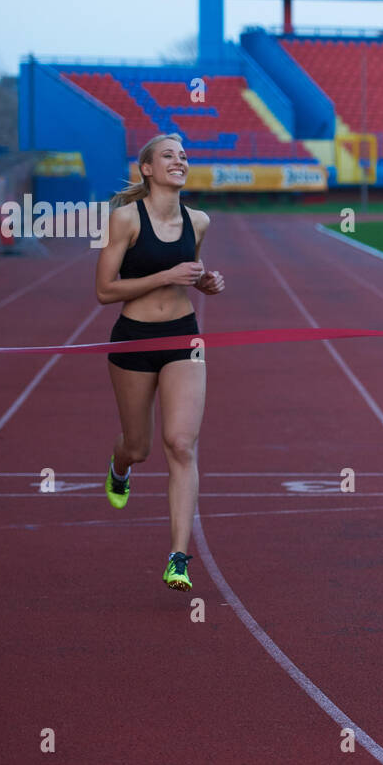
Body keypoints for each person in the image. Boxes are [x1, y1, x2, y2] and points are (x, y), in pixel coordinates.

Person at [94, 133, 225, 592]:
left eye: (184, 155)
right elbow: (105, 291)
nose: (179, 160)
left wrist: (204, 282)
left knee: (181, 444)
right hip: (133, 339)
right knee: (140, 445)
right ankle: (120, 465)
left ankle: (178, 556)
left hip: (183, 338)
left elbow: (187, 271)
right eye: (168, 154)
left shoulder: (200, 220)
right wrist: (166, 276)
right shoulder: (125, 219)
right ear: (146, 169)